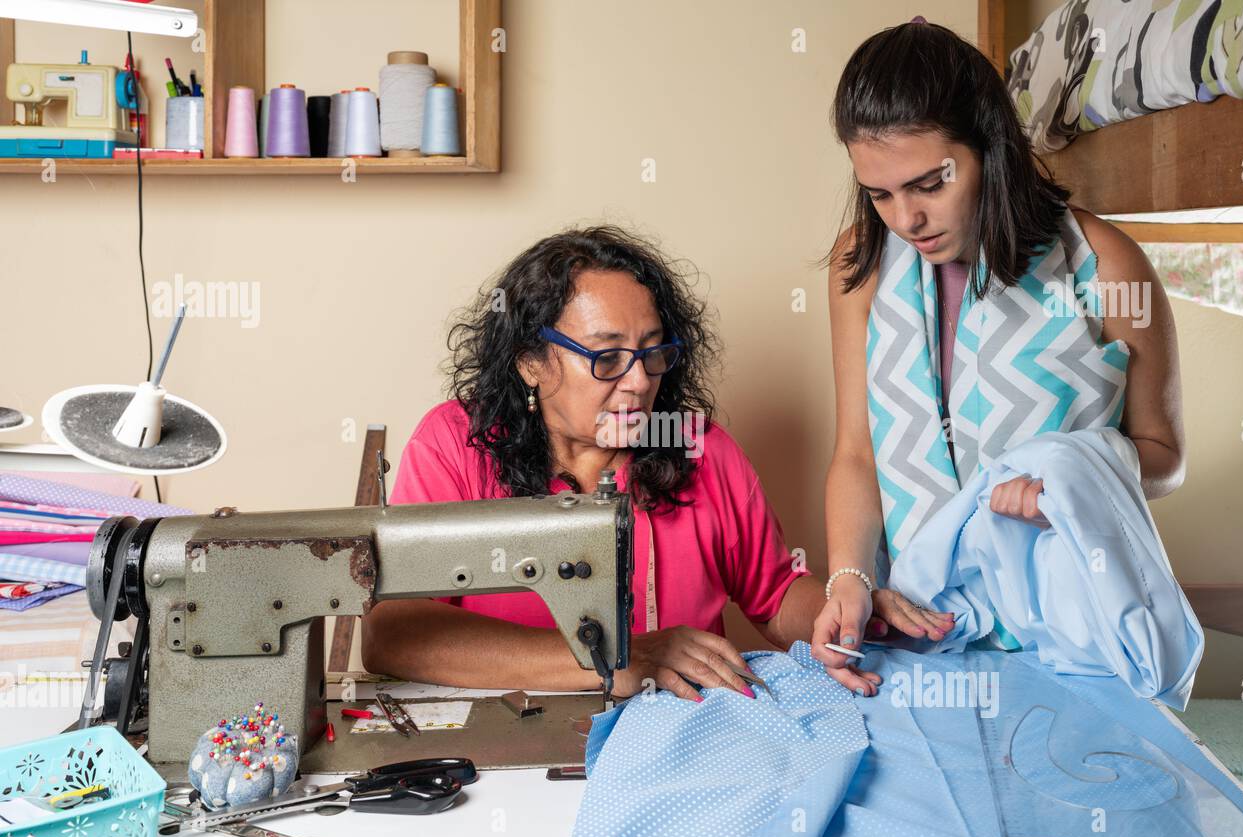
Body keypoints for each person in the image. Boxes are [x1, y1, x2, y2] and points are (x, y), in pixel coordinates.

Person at [812, 21, 1186, 693]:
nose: (906, 219)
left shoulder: (1106, 264)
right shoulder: (859, 264)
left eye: (929, 184)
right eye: (879, 193)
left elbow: (1164, 456)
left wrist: (1070, 491)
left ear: (989, 145)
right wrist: (850, 581)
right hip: (919, 633)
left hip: (1072, 636)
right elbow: (856, 456)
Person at [362, 226, 837, 700]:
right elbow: (393, 635)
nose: (638, 382)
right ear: (531, 361)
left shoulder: (699, 449)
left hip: (676, 735)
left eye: (652, 353)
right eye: (607, 357)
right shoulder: (456, 445)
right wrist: (617, 659)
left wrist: (847, 610)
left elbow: (776, 594)